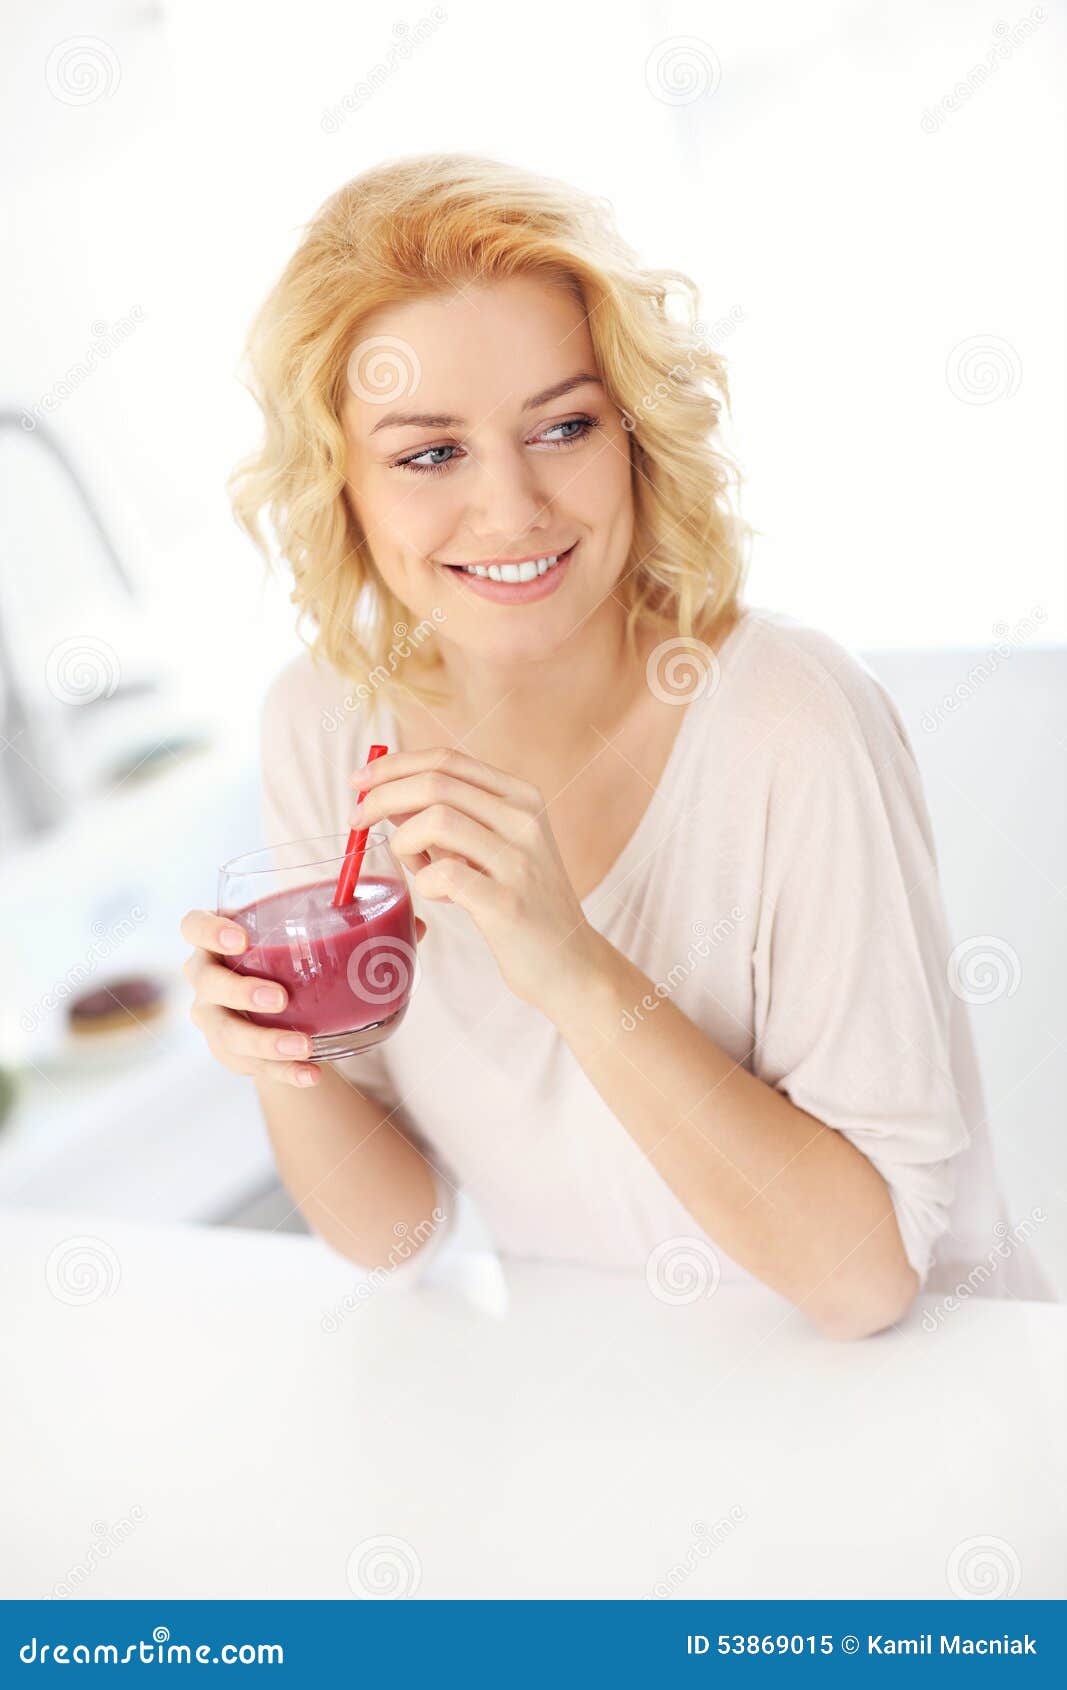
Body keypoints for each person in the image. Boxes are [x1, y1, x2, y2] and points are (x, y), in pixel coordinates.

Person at [181, 155, 1035, 1339]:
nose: (513, 508)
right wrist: (285, 1055)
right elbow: (392, 1237)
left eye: (564, 426)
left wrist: (569, 963)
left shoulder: (788, 717)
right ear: (342, 487)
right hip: (598, 1423)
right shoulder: (324, 726)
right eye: (429, 453)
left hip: (923, 1414)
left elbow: (865, 1279)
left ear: (633, 435)